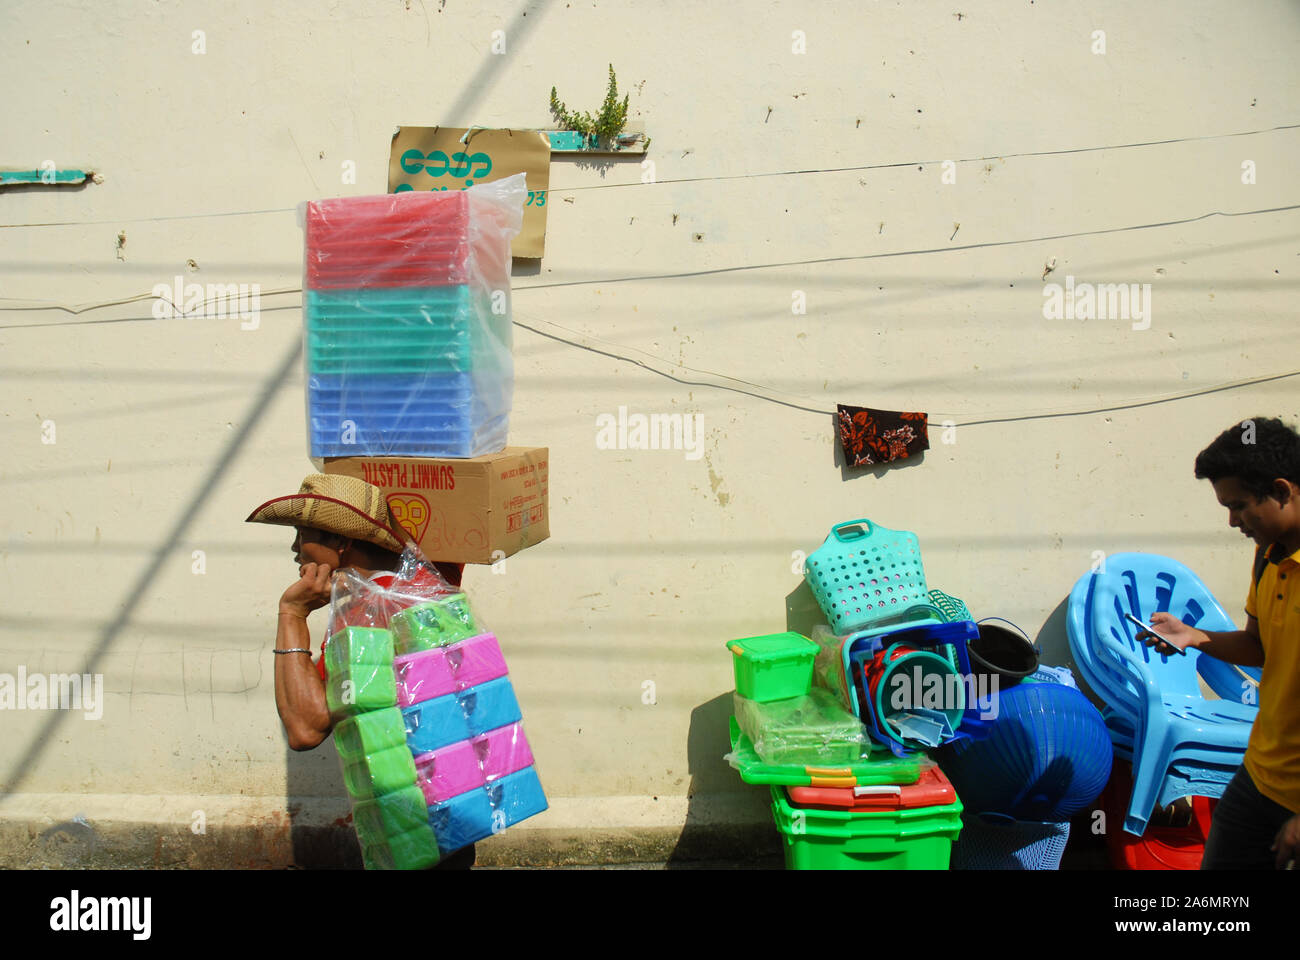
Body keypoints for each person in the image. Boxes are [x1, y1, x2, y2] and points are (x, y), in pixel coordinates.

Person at [246, 473, 475, 869]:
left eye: (303, 535)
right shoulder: (431, 582)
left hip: (411, 834)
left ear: (341, 541)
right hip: (457, 820)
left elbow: (305, 729)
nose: (295, 549)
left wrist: (292, 614)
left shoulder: (363, 617)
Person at [1139, 417, 1300, 870]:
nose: (1232, 521)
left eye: (1240, 505)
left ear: (1283, 490)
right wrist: (1195, 638)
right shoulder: (1269, 556)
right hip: (1262, 775)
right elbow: (1259, 647)